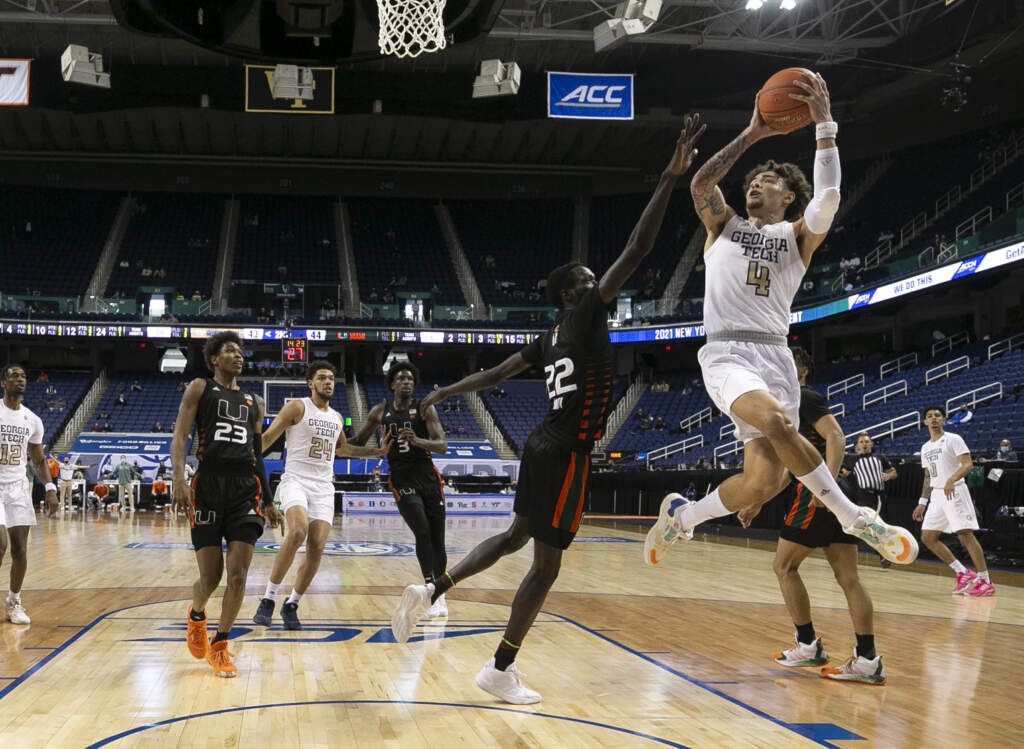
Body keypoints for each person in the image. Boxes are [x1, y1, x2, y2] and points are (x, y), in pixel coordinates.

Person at [388, 116, 706, 704]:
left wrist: (443, 391)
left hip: (541, 442)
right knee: (546, 566)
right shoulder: (583, 314)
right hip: (568, 450)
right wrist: (667, 179)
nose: (598, 285)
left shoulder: (550, 334)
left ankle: (435, 588)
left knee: (516, 537)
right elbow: (637, 250)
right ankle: (500, 668)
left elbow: (495, 372)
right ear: (571, 294)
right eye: (588, 280)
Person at [643, 73, 916, 568]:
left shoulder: (797, 237)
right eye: (751, 180)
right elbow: (701, 183)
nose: (753, 182)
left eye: (765, 180)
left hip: (775, 355)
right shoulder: (724, 226)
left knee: (764, 483)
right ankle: (855, 516)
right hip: (727, 351)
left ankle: (682, 517)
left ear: (788, 195)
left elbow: (829, 197)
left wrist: (824, 126)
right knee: (774, 420)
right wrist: (753, 136)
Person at [740, 348, 885, 685]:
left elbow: (836, 435)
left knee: (783, 566)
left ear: (802, 369)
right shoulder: (786, 407)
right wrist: (762, 500)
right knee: (848, 578)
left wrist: (826, 487)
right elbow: (792, 469)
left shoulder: (801, 397)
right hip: (832, 490)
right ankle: (866, 659)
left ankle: (807, 645)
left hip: (820, 491)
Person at [171, 331, 283, 677]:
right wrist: (178, 478)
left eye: (240, 351)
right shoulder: (199, 388)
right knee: (210, 577)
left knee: (238, 575)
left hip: (244, 489)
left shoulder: (253, 402)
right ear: (214, 359)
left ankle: (220, 646)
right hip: (208, 485)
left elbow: (256, 453)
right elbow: (179, 436)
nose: (238, 356)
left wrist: (267, 499)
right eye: (230, 351)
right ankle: (197, 614)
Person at [252, 362, 389, 630]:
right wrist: (247, 455)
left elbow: (344, 450)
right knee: (297, 531)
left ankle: (292, 603)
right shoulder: (297, 407)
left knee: (317, 546)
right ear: (310, 383)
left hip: (324, 487)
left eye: (331, 378)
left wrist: (378, 452)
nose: (328, 382)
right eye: (322, 378)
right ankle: (267, 599)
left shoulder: (337, 417)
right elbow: (267, 438)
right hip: (296, 480)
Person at [350, 361, 451, 618]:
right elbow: (358, 441)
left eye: (410, 379)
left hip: (428, 477)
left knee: (438, 540)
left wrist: (417, 440)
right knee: (423, 531)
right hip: (402, 479)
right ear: (393, 383)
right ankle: (430, 591)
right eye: (402, 378)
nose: (407, 382)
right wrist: (332, 442)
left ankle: (440, 596)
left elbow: (442, 445)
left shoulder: (425, 409)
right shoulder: (380, 411)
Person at [912, 406, 994, 596]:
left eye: (937, 416)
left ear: (943, 420)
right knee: (928, 537)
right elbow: (928, 476)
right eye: (929, 416)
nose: (933, 419)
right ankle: (962, 572)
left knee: (965, 534)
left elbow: (968, 464)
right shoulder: (925, 447)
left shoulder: (953, 439)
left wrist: (952, 479)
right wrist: (922, 501)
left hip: (955, 490)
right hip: (937, 495)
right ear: (924, 422)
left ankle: (985, 580)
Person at [0, 364, 58, 625]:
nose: (19, 379)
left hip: (17, 486)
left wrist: (50, 488)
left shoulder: (32, 420)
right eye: (13, 376)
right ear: (4, 383)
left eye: (23, 376)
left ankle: (13, 602)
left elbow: (38, 460)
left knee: (20, 550)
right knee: (0, 545)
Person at [842, 432, 898, 567]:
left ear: (871, 444)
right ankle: (858, 552)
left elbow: (894, 472)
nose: (864, 444)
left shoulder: (880, 457)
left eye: (867, 441)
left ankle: (885, 555)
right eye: (861, 442)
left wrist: (888, 476)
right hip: (862, 496)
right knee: (866, 525)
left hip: (879, 496)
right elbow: (844, 468)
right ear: (857, 446)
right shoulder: (852, 459)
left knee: (881, 526)